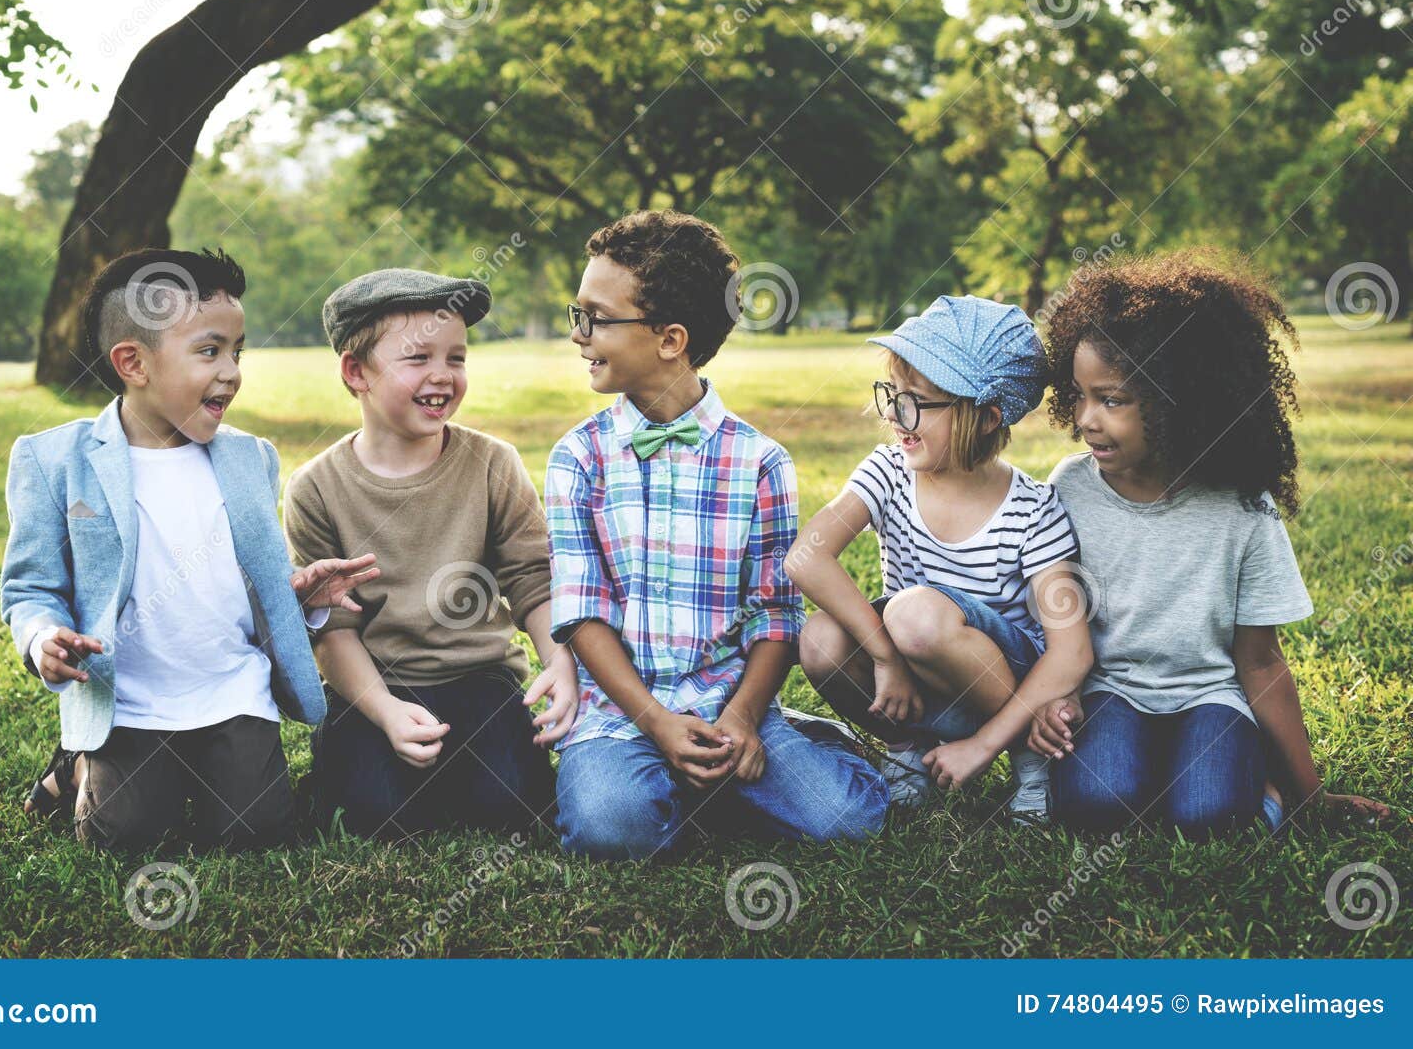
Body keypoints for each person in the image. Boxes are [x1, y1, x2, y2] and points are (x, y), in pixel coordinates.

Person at [1, 247, 376, 850]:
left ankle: (204, 769)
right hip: (130, 699)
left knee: (257, 832)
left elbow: (251, 581)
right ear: (133, 362)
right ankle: (74, 766)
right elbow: (30, 587)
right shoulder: (53, 460)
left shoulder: (250, 458)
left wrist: (299, 594)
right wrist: (44, 636)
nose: (231, 371)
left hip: (229, 688)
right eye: (209, 351)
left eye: (237, 350)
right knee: (123, 835)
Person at [547, 210, 890, 860]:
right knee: (613, 828)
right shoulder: (579, 458)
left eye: (594, 317)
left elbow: (776, 613)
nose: (576, 334)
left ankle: (781, 750)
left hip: (733, 709)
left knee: (850, 821)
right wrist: (655, 721)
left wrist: (740, 717)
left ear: (670, 339)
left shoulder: (761, 462)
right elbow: (582, 611)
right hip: (621, 718)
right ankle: (675, 786)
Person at [1032, 252, 1392, 838]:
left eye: (1112, 400)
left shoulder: (1242, 506)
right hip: (1111, 691)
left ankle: (1260, 785)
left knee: (1209, 815)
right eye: (1078, 395)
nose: (1087, 419)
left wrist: (1312, 796)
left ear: (1182, 401)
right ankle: (1174, 777)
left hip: (1210, 695)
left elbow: (1260, 662)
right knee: (1095, 804)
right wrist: (1056, 697)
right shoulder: (1069, 488)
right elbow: (1056, 623)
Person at [287, 268, 578, 840]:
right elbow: (333, 629)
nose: (442, 376)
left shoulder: (494, 463)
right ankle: (356, 762)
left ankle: (466, 771)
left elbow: (531, 581)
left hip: (480, 677)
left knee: (509, 809)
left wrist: (559, 662)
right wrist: (388, 714)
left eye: (457, 358)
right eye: (418, 359)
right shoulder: (315, 487)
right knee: (379, 818)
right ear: (355, 372)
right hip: (376, 683)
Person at [792, 294, 1092, 822]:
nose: (894, 416)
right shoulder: (889, 470)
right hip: (913, 669)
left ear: (986, 417)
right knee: (819, 639)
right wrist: (885, 658)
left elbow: (1071, 653)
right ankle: (907, 749)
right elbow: (807, 557)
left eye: (917, 403)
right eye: (893, 395)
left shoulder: (1033, 509)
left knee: (915, 614)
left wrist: (986, 745)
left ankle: (1030, 761)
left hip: (1008, 686)